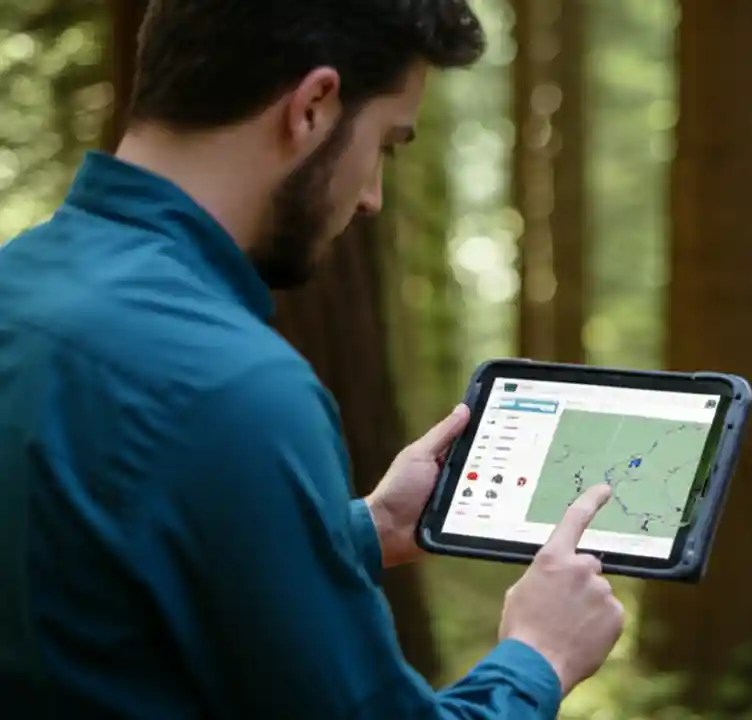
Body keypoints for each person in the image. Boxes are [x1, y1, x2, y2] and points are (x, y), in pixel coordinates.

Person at [0, 1, 624, 717]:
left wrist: (371, 528)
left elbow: (100, 576)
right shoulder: (235, 387)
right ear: (314, 107)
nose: (371, 199)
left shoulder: (20, 283)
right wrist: (538, 656)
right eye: (386, 145)